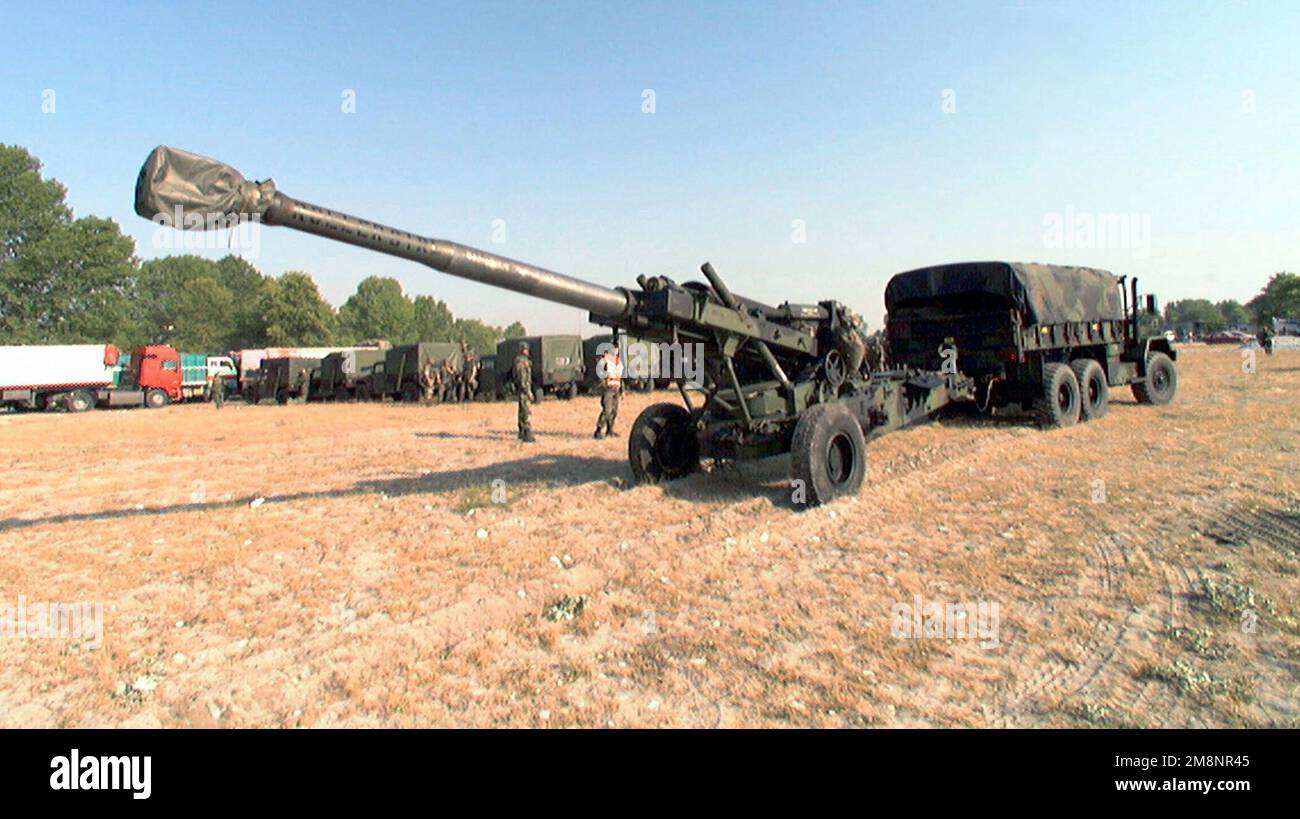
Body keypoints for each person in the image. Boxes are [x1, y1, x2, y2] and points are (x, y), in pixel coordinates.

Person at [593, 345, 624, 439]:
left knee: (614, 411)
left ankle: (610, 430)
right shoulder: (604, 361)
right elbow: (599, 374)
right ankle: (598, 430)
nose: (616, 351)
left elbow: (620, 377)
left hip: (616, 388)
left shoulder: (618, 361)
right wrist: (603, 384)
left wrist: (622, 390)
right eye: (615, 349)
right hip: (608, 389)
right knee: (607, 410)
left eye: (617, 349)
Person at [513, 342, 534, 442]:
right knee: (525, 411)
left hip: (524, 389)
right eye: (525, 349)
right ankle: (526, 432)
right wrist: (528, 391)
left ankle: (522, 432)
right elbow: (522, 379)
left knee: (523, 411)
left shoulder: (523, 361)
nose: (527, 351)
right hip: (523, 390)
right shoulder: (521, 362)